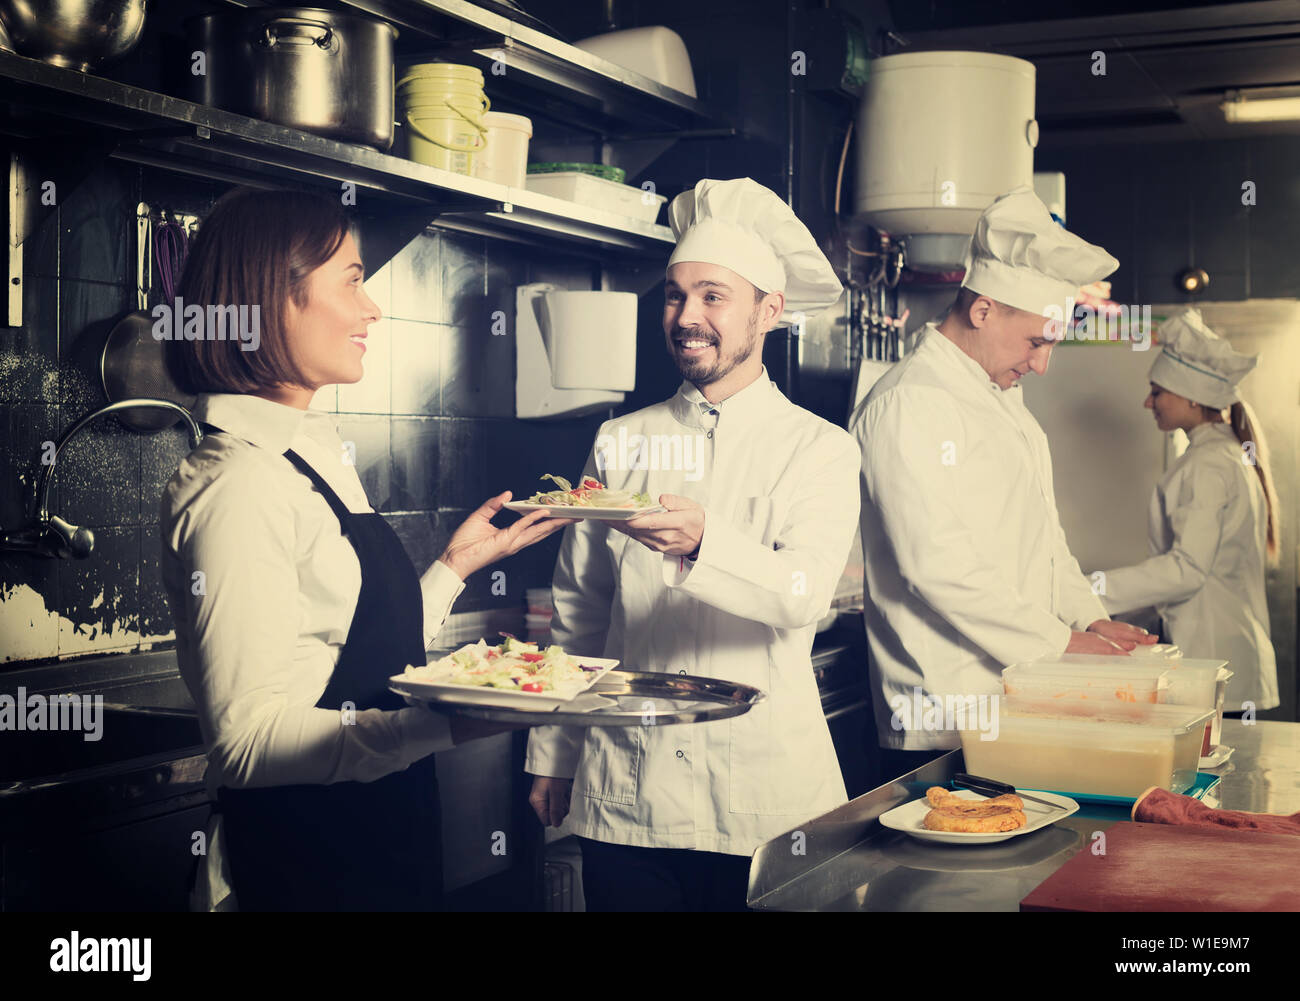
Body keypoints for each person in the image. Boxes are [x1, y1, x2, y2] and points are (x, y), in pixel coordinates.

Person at [159, 187, 571, 911]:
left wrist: (453, 569)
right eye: (351, 279)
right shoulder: (239, 483)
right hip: (301, 864)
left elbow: (349, 645)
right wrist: (451, 722)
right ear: (274, 298)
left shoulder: (310, 451)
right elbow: (248, 744)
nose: (371, 307)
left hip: (377, 839)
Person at [525, 177, 860, 912]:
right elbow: (580, 611)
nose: (685, 317)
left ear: (769, 311)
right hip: (626, 794)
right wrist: (553, 752)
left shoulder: (820, 449)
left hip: (762, 799)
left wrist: (707, 542)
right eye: (675, 296)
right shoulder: (620, 440)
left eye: (713, 296)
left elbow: (799, 597)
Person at [850, 185, 1156, 773]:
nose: (1042, 364)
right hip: (944, 718)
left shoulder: (1001, 401)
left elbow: (1046, 540)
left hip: (1011, 705)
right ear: (983, 309)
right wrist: (1063, 644)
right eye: (1038, 341)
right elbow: (935, 565)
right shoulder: (911, 404)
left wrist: (1087, 617)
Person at [1098, 308, 1280, 714]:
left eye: (1157, 391)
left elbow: (1186, 570)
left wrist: (1087, 590)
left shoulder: (1209, 464)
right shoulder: (1220, 456)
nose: (1148, 402)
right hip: (1223, 658)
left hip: (1215, 660)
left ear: (1192, 396)